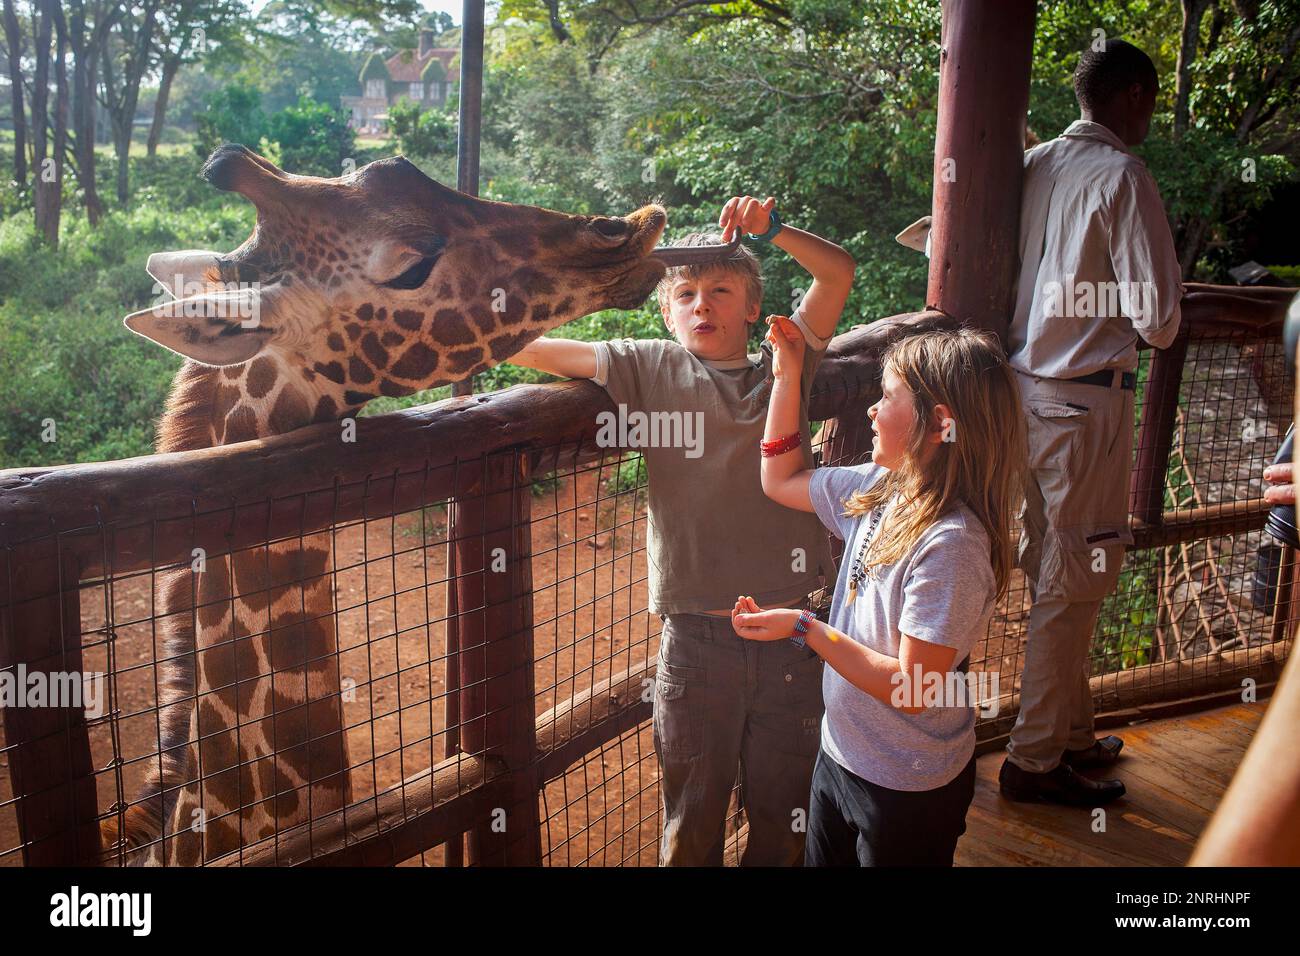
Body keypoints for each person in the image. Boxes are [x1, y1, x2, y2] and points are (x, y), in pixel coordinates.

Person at [507, 195, 855, 865]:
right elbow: (531, 349)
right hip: (698, 642)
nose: (703, 305)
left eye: (721, 291)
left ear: (752, 308)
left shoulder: (786, 364)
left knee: (784, 826)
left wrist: (772, 229)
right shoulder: (648, 366)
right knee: (690, 830)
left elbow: (837, 274)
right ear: (666, 312)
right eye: (687, 293)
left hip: (794, 636)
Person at [732, 323, 1025, 866]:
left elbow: (914, 688)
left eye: (887, 395)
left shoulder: (952, 545)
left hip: (908, 784)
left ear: (939, 424)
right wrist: (787, 378)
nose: (871, 409)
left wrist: (805, 628)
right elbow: (778, 477)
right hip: (842, 752)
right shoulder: (883, 488)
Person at [998, 39, 1184, 806]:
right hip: (1083, 402)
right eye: (1152, 100)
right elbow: (1161, 319)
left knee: (1059, 568)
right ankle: (1033, 762)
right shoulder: (1123, 176)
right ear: (1133, 95)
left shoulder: (1035, 164)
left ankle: (1071, 733)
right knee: (1074, 583)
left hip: (1025, 395)